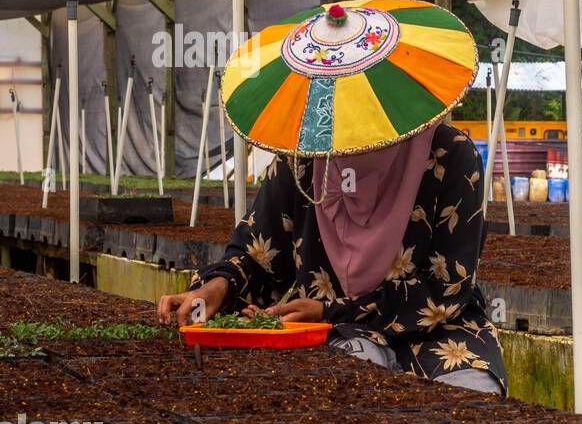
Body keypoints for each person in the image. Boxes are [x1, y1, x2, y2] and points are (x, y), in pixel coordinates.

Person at [158, 121, 505, 395]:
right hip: (329, 330)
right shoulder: (303, 158)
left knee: (474, 401)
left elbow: (447, 288)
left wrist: (330, 308)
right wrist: (217, 287)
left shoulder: (449, 154)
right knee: (345, 387)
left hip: (440, 329)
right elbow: (258, 253)